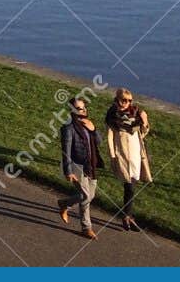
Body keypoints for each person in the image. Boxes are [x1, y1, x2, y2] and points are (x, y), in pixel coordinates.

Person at [103, 87, 151, 230]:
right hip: (122, 153)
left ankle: (128, 216)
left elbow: (142, 133)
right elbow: (109, 137)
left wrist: (145, 121)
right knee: (129, 185)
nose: (127, 103)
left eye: (129, 100)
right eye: (124, 100)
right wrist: (113, 155)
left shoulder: (135, 113)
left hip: (135, 152)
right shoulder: (112, 116)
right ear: (117, 100)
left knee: (132, 184)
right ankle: (127, 217)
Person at [59, 96, 101, 240]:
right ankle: (86, 228)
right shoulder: (68, 128)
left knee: (90, 196)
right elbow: (65, 151)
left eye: (84, 107)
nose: (83, 110)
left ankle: (64, 204)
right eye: (78, 108)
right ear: (72, 111)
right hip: (77, 166)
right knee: (86, 196)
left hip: (91, 165)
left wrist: (93, 129)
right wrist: (68, 171)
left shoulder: (88, 124)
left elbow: (99, 142)